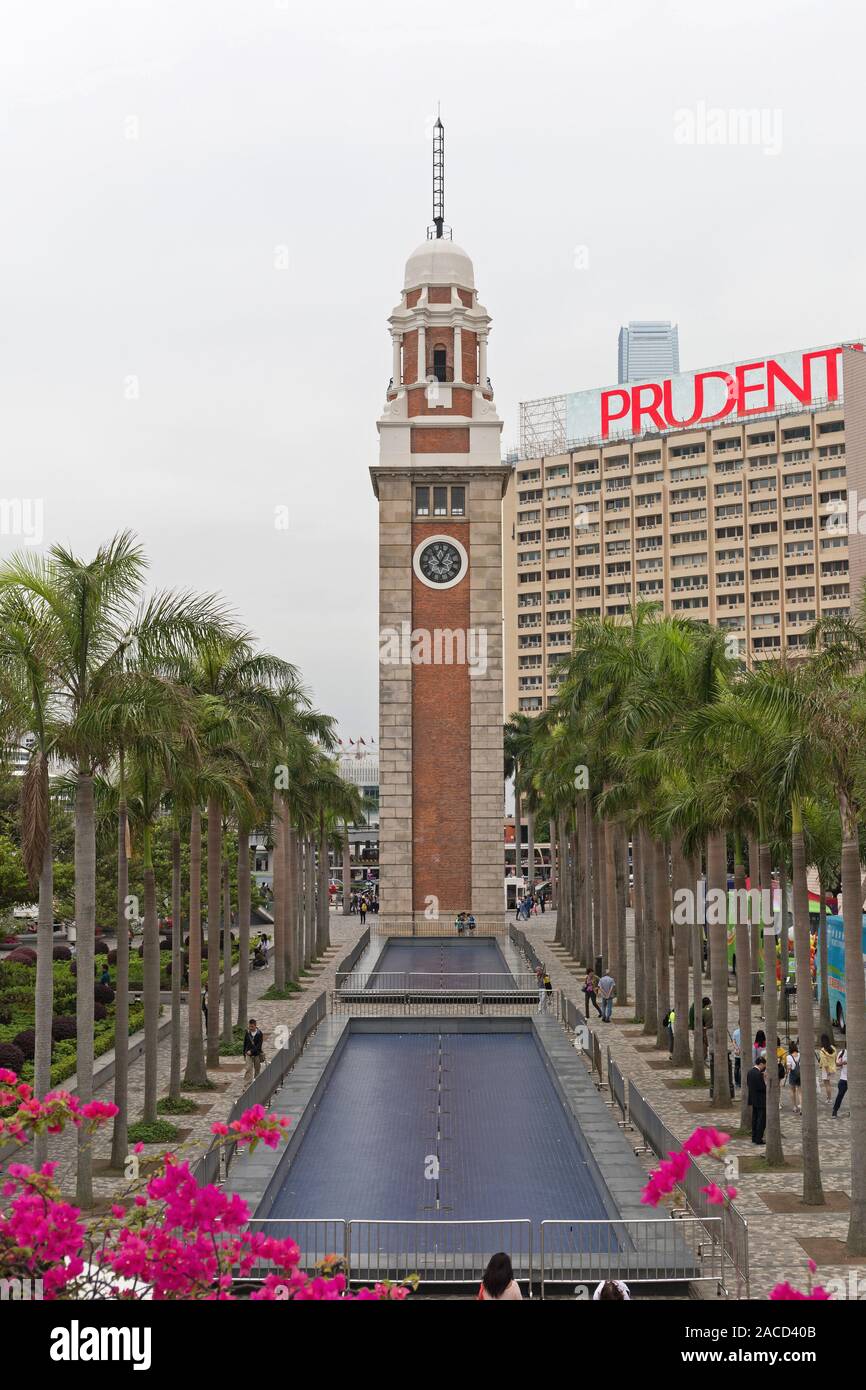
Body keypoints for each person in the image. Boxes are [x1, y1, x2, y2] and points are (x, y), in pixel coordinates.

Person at [747, 1055, 767, 1144]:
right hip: (760, 1099)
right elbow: (762, 1087)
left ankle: (754, 1137)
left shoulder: (750, 1072)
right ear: (761, 1064)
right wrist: (765, 1081)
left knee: (755, 1119)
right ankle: (759, 1138)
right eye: (764, 1065)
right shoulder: (758, 1074)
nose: (764, 1067)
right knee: (761, 1120)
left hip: (753, 1099)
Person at [243, 1018, 265, 1083]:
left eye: (252, 1026)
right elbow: (245, 1043)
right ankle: (247, 1085)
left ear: (255, 1026)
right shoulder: (247, 1033)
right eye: (249, 1026)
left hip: (256, 1054)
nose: (250, 1028)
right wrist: (244, 1053)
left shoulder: (259, 1033)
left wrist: (251, 1051)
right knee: (248, 1069)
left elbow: (259, 1046)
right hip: (248, 1054)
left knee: (257, 1069)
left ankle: (256, 1083)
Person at [818, 1034, 837, 1102]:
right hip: (833, 1068)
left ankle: (829, 1099)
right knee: (829, 1084)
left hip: (826, 1070)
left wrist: (827, 1071)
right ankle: (829, 1097)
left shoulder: (822, 1051)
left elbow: (825, 1063)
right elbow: (835, 1059)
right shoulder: (833, 1048)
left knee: (827, 1084)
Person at [785, 1040, 802, 1115]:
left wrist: (786, 1071)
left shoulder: (789, 1057)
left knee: (792, 1091)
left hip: (793, 1075)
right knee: (800, 1092)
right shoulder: (800, 1055)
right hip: (800, 1074)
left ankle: (795, 1106)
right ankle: (801, 1107)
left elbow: (789, 1068)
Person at [832, 1045, 848, 1118]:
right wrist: (842, 1063)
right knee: (840, 1095)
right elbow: (837, 1063)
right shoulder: (843, 1052)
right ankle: (835, 1111)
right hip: (844, 1078)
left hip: (855, 1079)